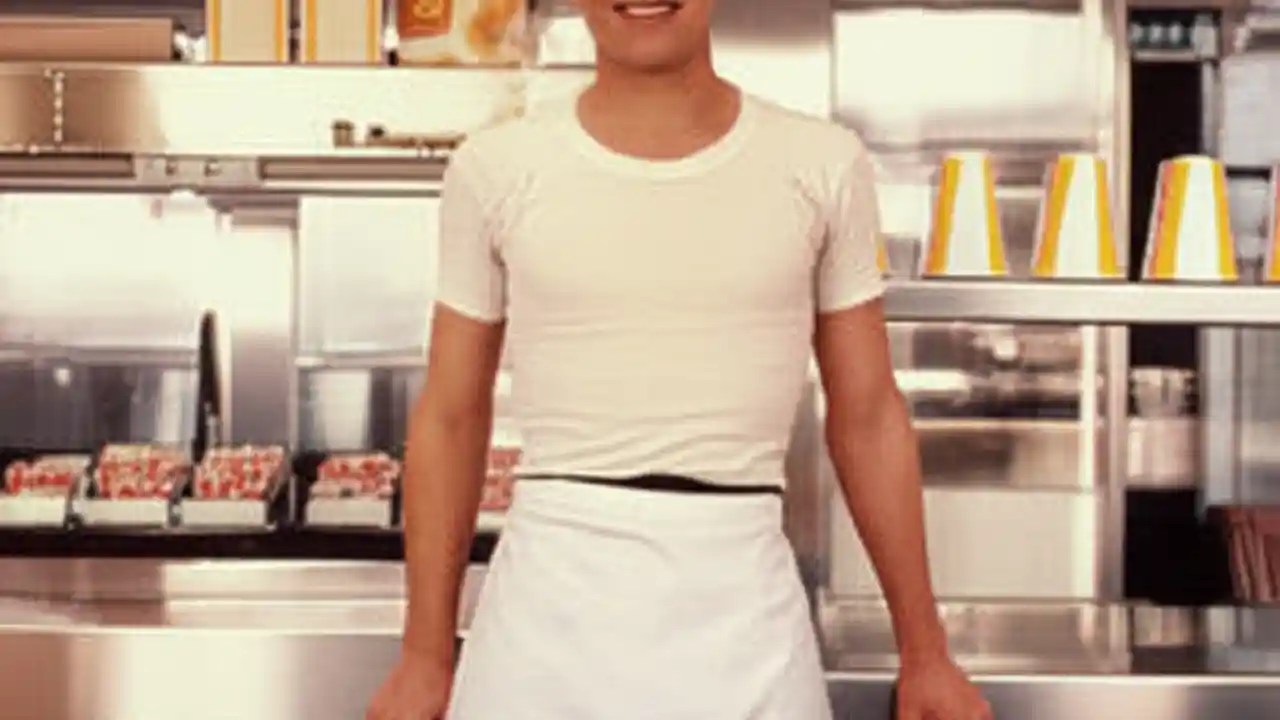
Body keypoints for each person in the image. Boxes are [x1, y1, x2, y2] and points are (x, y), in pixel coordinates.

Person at [367, 0, 993, 718]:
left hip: (745, 609)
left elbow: (869, 415)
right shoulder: (495, 168)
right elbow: (450, 417)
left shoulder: (822, 163)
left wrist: (926, 652)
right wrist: (424, 655)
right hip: (544, 618)